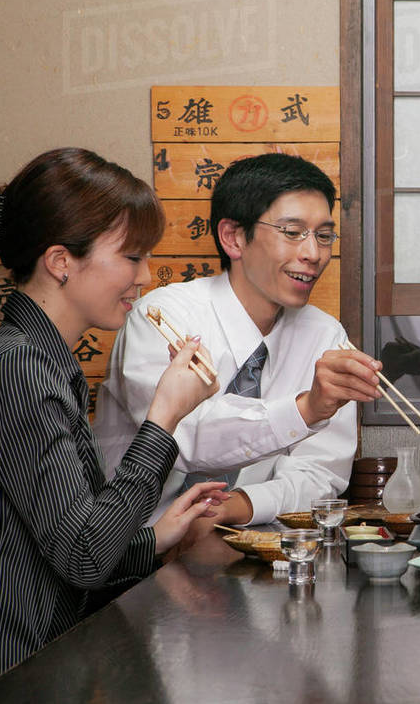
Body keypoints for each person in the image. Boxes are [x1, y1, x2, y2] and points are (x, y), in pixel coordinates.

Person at [0, 148, 221, 704]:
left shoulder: (38, 358)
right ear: (62, 260)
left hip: (27, 684)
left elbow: (65, 546)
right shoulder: (14, 366)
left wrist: (157, 537)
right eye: (131, 257)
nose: (144, 276)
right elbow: (84, 557)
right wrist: (164, 416)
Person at [94, 153, 381, 537]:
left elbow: (320, 474)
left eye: (324, 235)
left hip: (249, 539)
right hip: (129, 548)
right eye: (292, 232)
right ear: (233, 237)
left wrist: (235, 507)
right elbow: (185, 438)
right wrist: (307, 409)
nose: (313, 254)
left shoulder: (325, 336)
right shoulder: (163, 317)